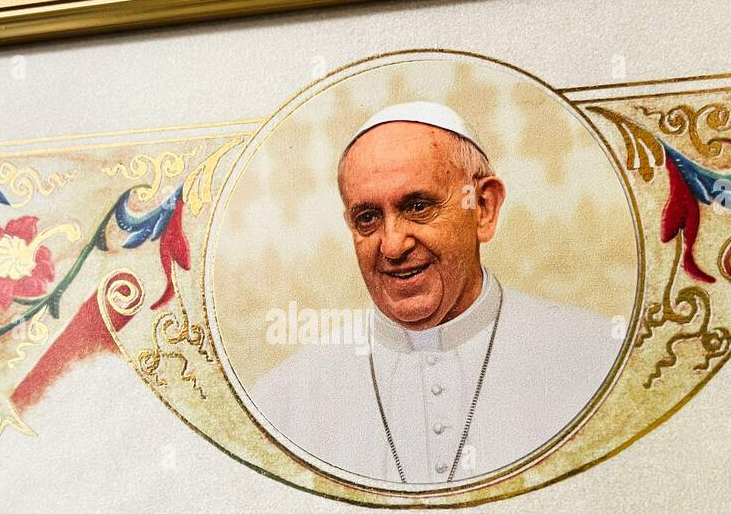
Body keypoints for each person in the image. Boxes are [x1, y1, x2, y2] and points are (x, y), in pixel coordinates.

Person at [250, 101, 620, 485]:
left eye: (418, 206)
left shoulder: (596, 357)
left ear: (484, 209)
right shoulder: (284, 402)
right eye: (368, 218)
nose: (393, 246)